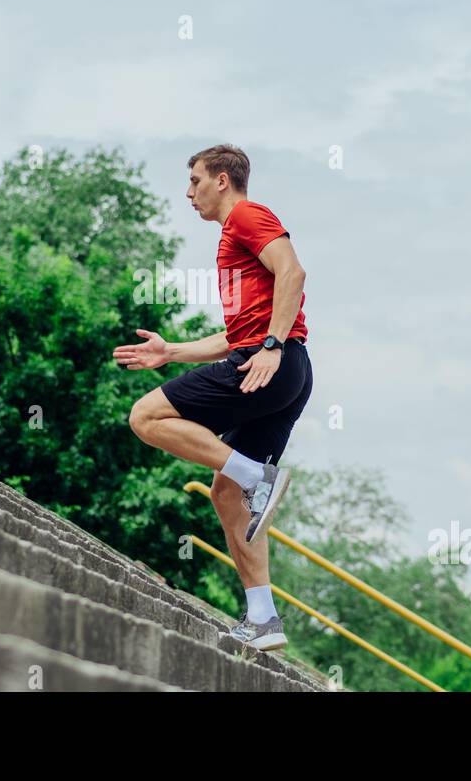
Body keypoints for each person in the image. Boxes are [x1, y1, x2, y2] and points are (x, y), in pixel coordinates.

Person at [115, 144, 312, 651]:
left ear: (222, 180)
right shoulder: (232, 240)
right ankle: (264, 617)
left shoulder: (247, 215)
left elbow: (293, 272)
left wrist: (271, 345)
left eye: (196, 181)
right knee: (226, 493)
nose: (189, 193)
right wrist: (170, 352)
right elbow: (232, 336)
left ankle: (259, 479)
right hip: (278, 366)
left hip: (269, 361)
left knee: (145, 415)